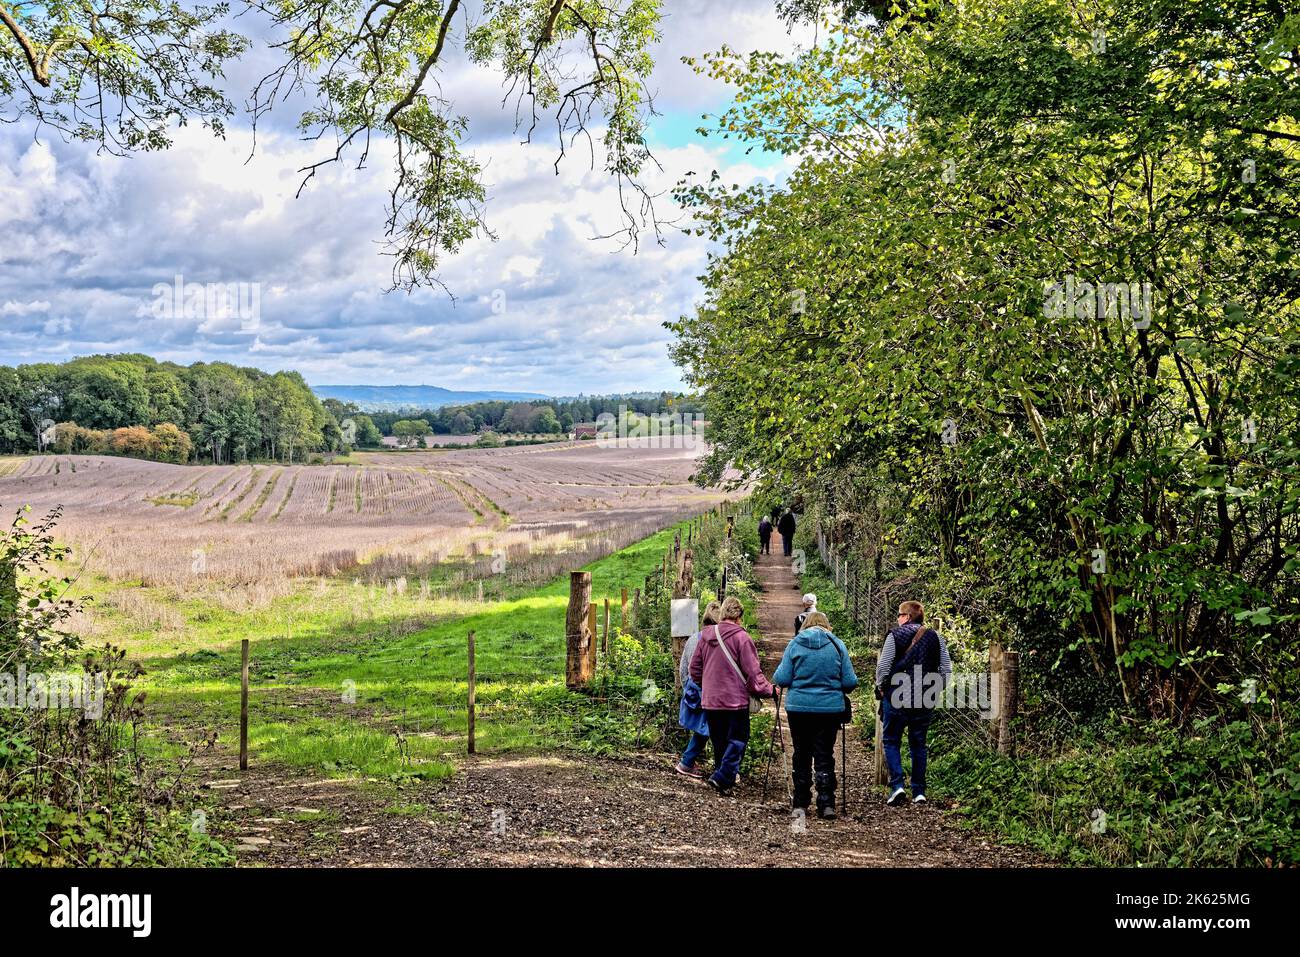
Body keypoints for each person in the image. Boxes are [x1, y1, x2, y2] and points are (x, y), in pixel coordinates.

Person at [773, 611, 858, 819]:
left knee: (801, 752)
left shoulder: (795, 644)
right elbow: (849, 683)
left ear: (805, 625)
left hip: (799, 708)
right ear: (826, 625)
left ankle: (800, 803)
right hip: (829, 710)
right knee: (824, 754)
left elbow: (781, 678)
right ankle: (826, 803)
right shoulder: (838, 646)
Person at [689, 595, 776, 795]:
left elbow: (695, 669)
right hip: (735, 701)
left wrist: (708, 684)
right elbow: (753, 673)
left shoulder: (706, 635)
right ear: (739, 617)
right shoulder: (742, 638)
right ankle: (722, 777)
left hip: (711, 700)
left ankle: (722, 781)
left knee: (719, 740)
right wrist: (769, 690)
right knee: (738, 739)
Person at [874, 600, 951, 806]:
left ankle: (897, 786)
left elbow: (884, 666)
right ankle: (919, 791)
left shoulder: (894, 635)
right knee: (918, 744)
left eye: (899, 614)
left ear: (907, 617)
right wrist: (934, 689)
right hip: (924, 698)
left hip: (897, 696)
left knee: (891, 740)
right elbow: (946, 670)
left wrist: (881, 687)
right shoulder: (936, 637)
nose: (897, 618)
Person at [674, 601, 723, 780]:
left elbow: (683, 668)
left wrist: (688, 687)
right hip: (712, 691)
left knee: (705, 728)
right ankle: (690, 762)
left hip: (694, 690)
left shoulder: (693, 638)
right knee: (712, 728)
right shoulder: (718, 640)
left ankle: (689, 761)